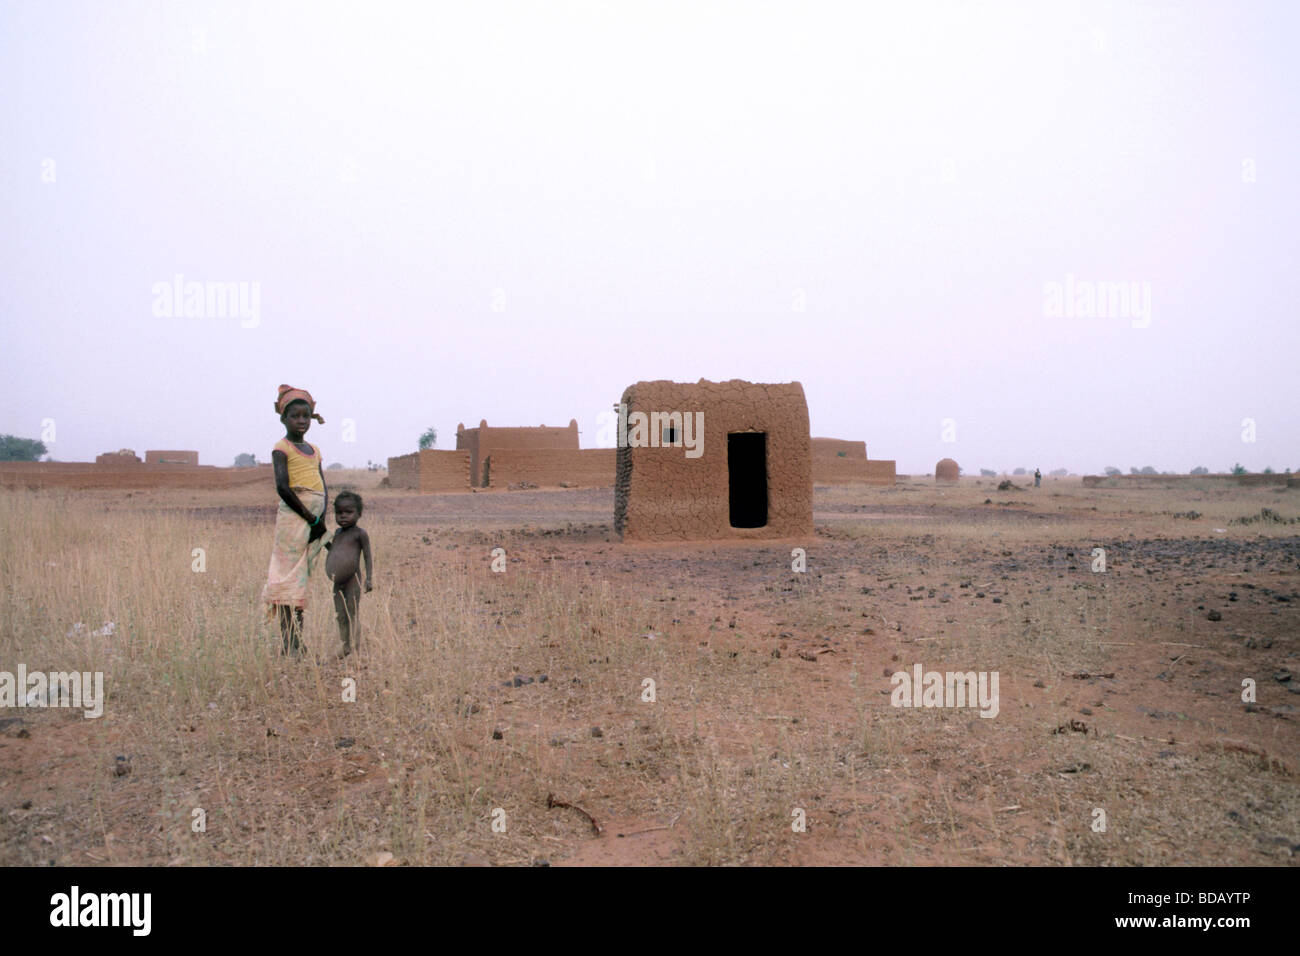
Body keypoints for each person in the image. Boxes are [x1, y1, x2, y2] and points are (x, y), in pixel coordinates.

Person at [260, 384, 328, 657]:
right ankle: (291, 644)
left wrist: (322, 518)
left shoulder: (315, 450)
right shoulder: (281, 448)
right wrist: (311, 518)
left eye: (305, 416)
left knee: (300, 583)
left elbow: (323, 485)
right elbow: (283, 489)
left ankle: (297, 643)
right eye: (295, 416)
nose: (301, 421)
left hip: (314, 522)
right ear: (283, 419)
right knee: (289, 581)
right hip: (294, 521)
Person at [325, 490, 372, 658]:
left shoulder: (360, 534)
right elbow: (336, 552)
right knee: (340, 615)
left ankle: (355, 648)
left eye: (348, 512)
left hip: (353, 580)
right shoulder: (337, 533)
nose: (343, 516)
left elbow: (367, 556)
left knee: (353, 613)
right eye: (339, 512)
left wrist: (369, 579)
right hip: (337, 582)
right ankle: (344, 646)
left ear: (359, 513)